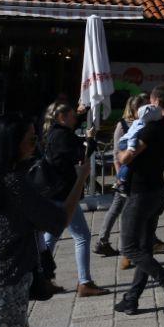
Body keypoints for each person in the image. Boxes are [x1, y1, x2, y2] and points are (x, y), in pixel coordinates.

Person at [0, 115, 91, 327]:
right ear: (12, 144)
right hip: (4, 280)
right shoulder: (12, 182)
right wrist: (81, 178)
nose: (36, 143)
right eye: (30, 139)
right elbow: (57, 219)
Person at [113, 85, 164, 316]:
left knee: (129, 247)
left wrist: (118, 153)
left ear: (155, 101)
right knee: (144, 248)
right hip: (157, 191)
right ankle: (132, 298)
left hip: (141, 192)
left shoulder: (152, 128)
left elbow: (127, 157)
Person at [39, 102, 109, 297]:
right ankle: (84, 282)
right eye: (72, 115)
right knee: (82, 237)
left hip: (55, 193)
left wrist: (84, 114)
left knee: (50, 237)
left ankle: (42, 278)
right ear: (62, 117)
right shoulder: (62, 135)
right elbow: (82, 157)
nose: (75, 118)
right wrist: (90, 139)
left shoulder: (53, 132)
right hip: (64, 195)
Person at [94, 94, 142, 259]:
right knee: (119, 209)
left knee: (122, 209)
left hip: (137, 174)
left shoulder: (143, 124)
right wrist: (119, 175)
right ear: (134, 109)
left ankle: (105, 241)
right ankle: (108, 242)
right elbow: (116, 153)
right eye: (142, 107)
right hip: (125, 175)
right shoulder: (122, 126)